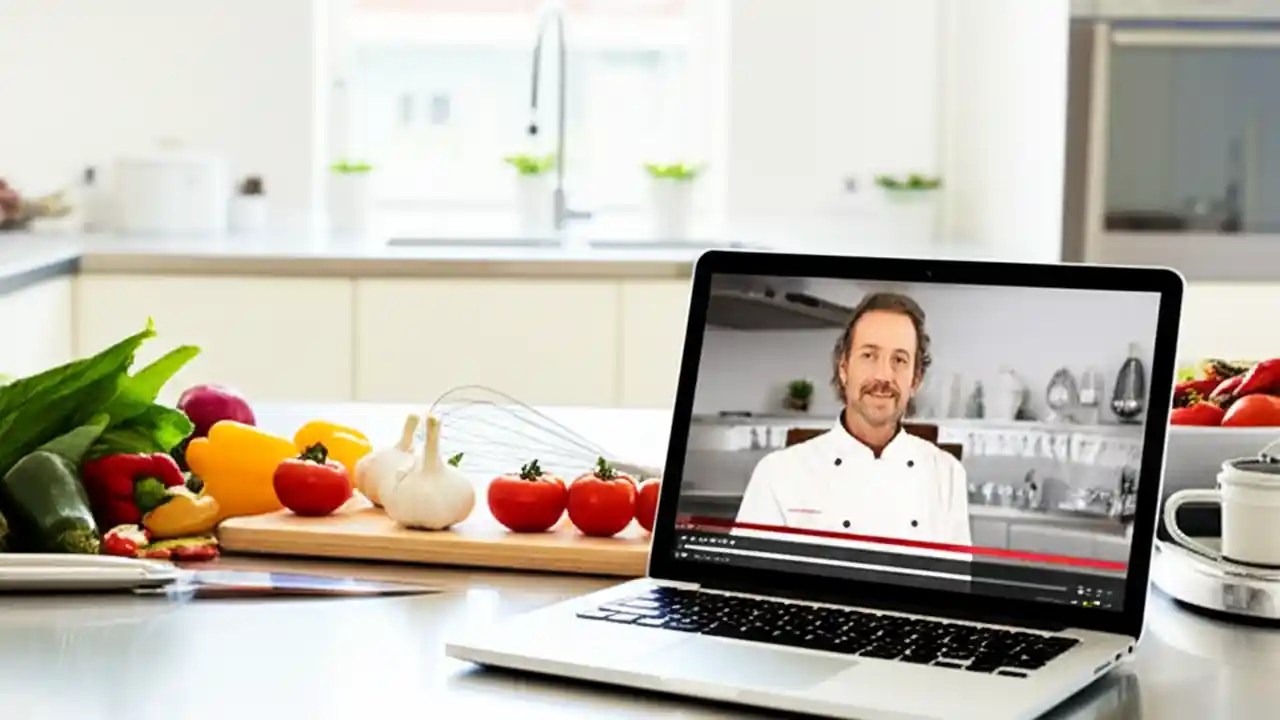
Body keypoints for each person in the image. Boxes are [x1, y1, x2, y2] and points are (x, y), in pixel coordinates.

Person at [735, 291, 972, 547]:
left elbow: (953, 584)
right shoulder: (778, 474)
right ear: (844, 368)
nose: (884, 375)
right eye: (869, 355)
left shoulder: (947, 475)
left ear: (915, 380)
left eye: (900, 360)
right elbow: (744, 583)